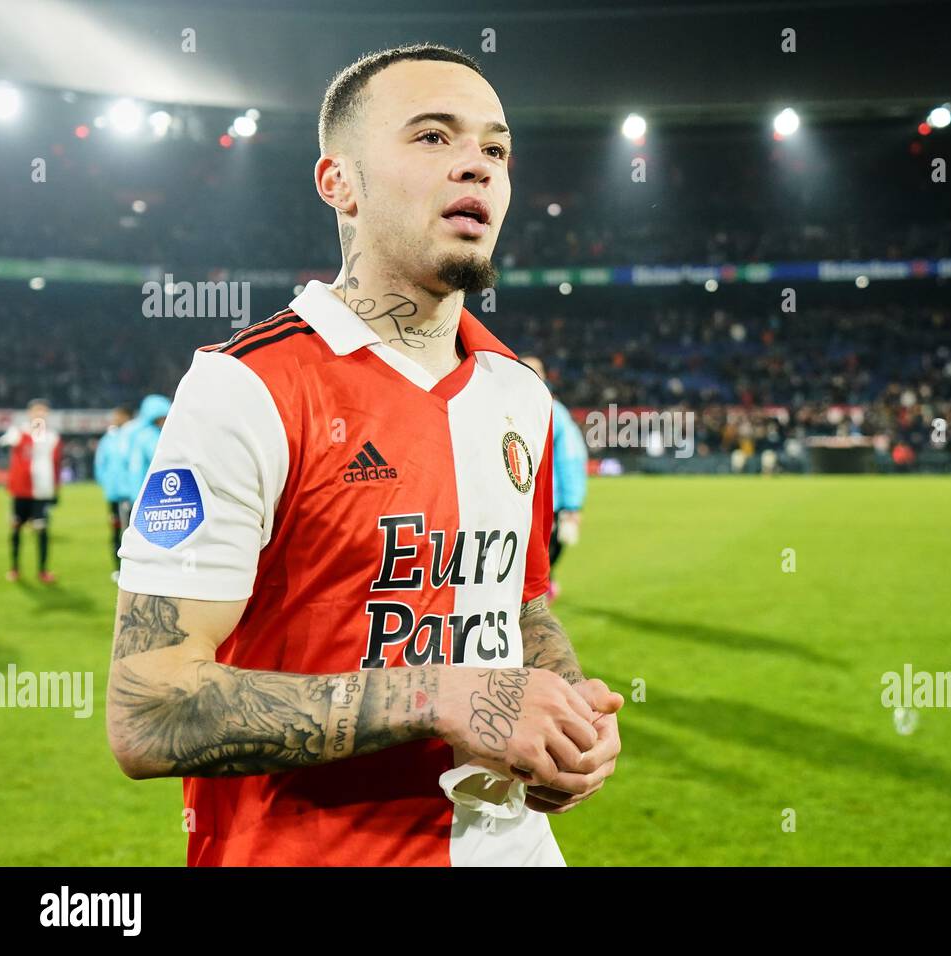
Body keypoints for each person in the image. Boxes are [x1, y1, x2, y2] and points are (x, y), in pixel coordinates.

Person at [108, 43, 623, 867]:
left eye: (495, 149)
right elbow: (147, 708)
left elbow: (518, 605)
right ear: (337, 183)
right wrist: (444, 697)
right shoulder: (245, 388)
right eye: (432, 138)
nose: (477, 167)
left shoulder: (518, 394)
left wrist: (567, 714)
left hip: (516, 846)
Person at [520, 356, 588, 600]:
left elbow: (570, 459)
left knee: (534, 570)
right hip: (521, 504)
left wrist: (571, 505)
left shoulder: (553, 412)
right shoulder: (511, 407)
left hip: (547, 506)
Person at [0, 398, 62, 583]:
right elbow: (5, 442)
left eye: (43, 411)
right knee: (16, 529)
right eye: (36, 411)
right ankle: (14, 568)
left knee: (42, 530)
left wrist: (56, 490)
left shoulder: (53, 437)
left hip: (42, 492)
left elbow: (56, 465)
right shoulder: (19, 432)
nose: (40, 414)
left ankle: (43, 570)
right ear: (29, 413)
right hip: (21, 491)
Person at [94, 405, 134, 580]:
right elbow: (100, 462)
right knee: (116, 530)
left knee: (133, 531)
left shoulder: (135, 437)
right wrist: (107, 482)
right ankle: (118, 568)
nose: (114, 419)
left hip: (132, 492)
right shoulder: (109, 438)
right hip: (114, 493)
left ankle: (133, 568)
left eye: (118, 416)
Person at [122, 394, 171, 507]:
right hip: (151, 490)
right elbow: (161, 460)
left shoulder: (138, 433)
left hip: (140, 489)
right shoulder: (151, 436)